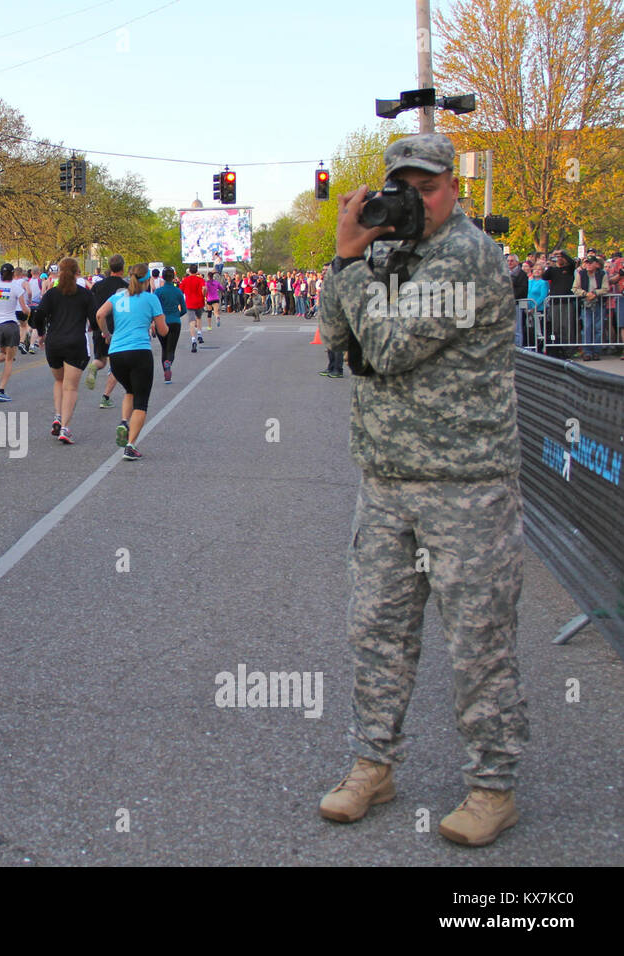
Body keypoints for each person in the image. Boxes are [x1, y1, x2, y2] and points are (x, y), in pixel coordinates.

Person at [316, 133, 526, 848]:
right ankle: (373, 765)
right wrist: (349, 259)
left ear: (454, 189)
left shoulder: (468, 256)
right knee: (376, 631)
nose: (415, 198)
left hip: (464, 484)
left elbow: (390, 347)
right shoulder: (386, 253)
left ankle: (492, 786)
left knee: (478, 643)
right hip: (387, 479)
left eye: (428, 186)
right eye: (401, 185)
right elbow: (333, 334)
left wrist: (351, 265)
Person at [95, 263, 168, 460]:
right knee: (141, 402)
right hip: (139, 352)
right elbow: (163, 330)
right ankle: (130, 445)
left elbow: (100, 314)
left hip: (117, 353)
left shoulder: (117, 297)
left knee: (130, 390)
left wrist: (106, 333)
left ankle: (124, 421)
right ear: (147, 280)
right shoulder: (150, 298)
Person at [34, 257, 94, 443]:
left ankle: (58, 416)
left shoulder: (51, 294)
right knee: (71, 387)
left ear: (59, 272)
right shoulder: (85, 294)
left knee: (59, 381)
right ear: (77, 273)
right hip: (75, 342)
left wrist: (41, 333)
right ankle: (65, 428)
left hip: (54, 343)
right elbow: (94, 318)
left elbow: (38, 315)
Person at [0, 263, 28, 409]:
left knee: (4, 353)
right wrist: (30, 313)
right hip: (10, 325)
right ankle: (1, 391)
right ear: (12, 274)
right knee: (10, 359)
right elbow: (24, 309)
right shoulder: (17, 288)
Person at [87, 254, 127, 408]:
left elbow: (92, 307)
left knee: (102, 360)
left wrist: (93, 324)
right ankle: (105, 397)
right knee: (117, 365)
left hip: (99, 325)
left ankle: (94, 366)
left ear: (109, 268)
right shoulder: (125, 287)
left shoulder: (98, 286)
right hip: (117, 329)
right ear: (122, 268)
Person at [154, 267, 187, 383]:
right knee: (171, 349)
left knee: (164, 347)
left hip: (161, 322)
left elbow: (154, 309)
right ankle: (168, 363)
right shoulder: (178, 291)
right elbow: (184, 309)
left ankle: (165, 372)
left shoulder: (158, 292)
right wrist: (177, 315)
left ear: (162, 277)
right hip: (175, 322)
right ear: (173, 277)